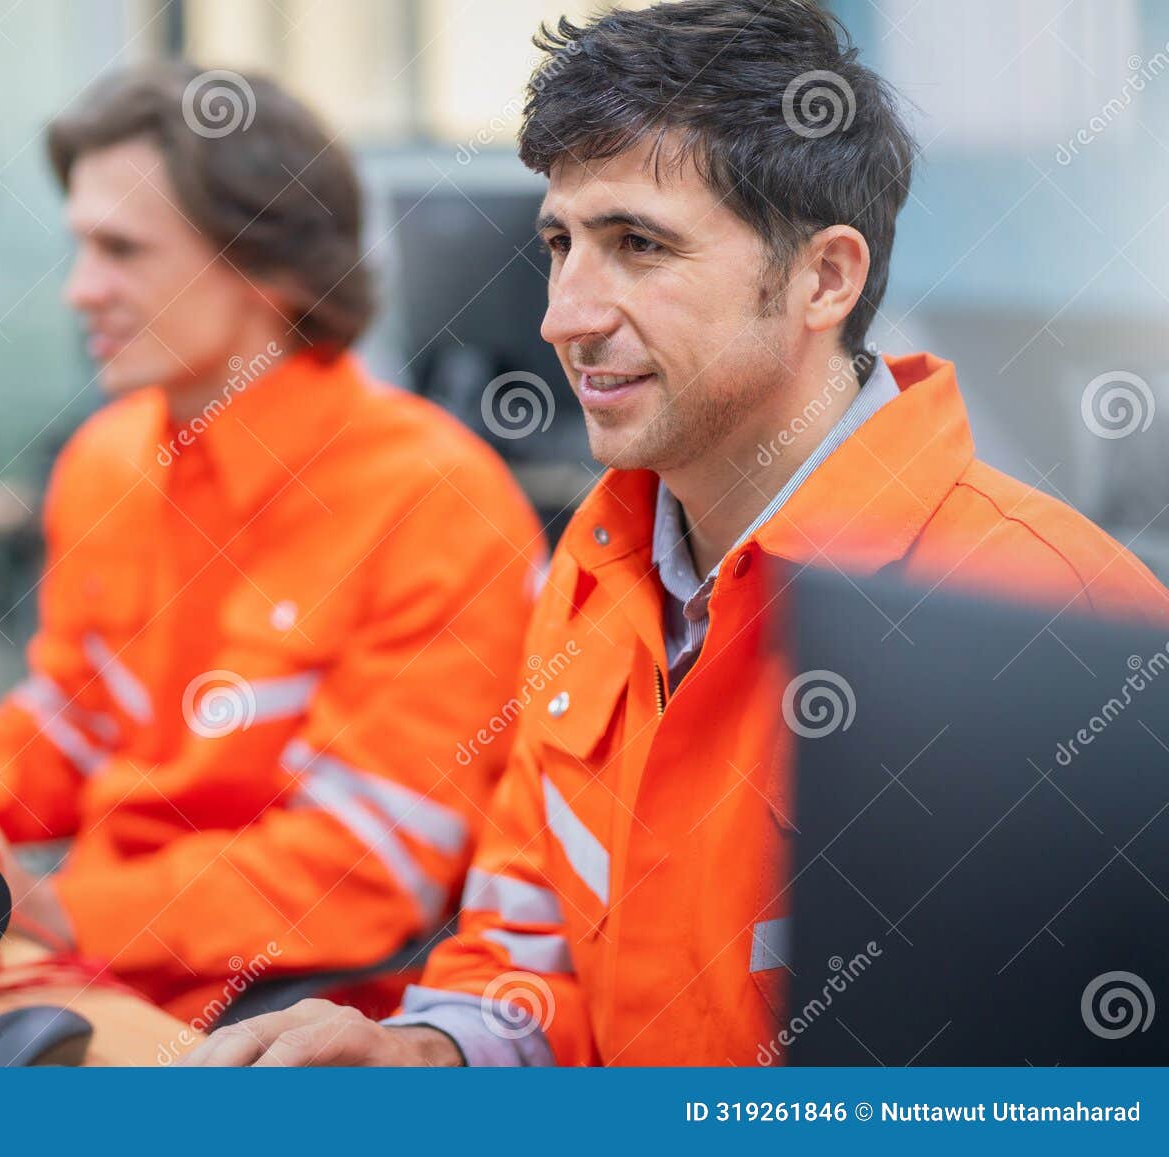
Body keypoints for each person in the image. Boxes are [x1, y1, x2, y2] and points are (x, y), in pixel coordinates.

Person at [181, 0, 1169, 1066]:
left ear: (824, 279)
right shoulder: (596, 568)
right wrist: (424, 1051)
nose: (563, 314)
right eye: (560, 243)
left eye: (639, 245)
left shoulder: (1066, 622)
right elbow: (531, 943)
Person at [0, 63, 543, 1023]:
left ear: (267, 266)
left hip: (273, 1026)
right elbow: (67, 733)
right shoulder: (106, 459)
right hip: (80, 968)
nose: (79, 291)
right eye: (80, 247)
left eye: (122, 250)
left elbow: (367, 864)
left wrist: (59, 910)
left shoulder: (437, 501)